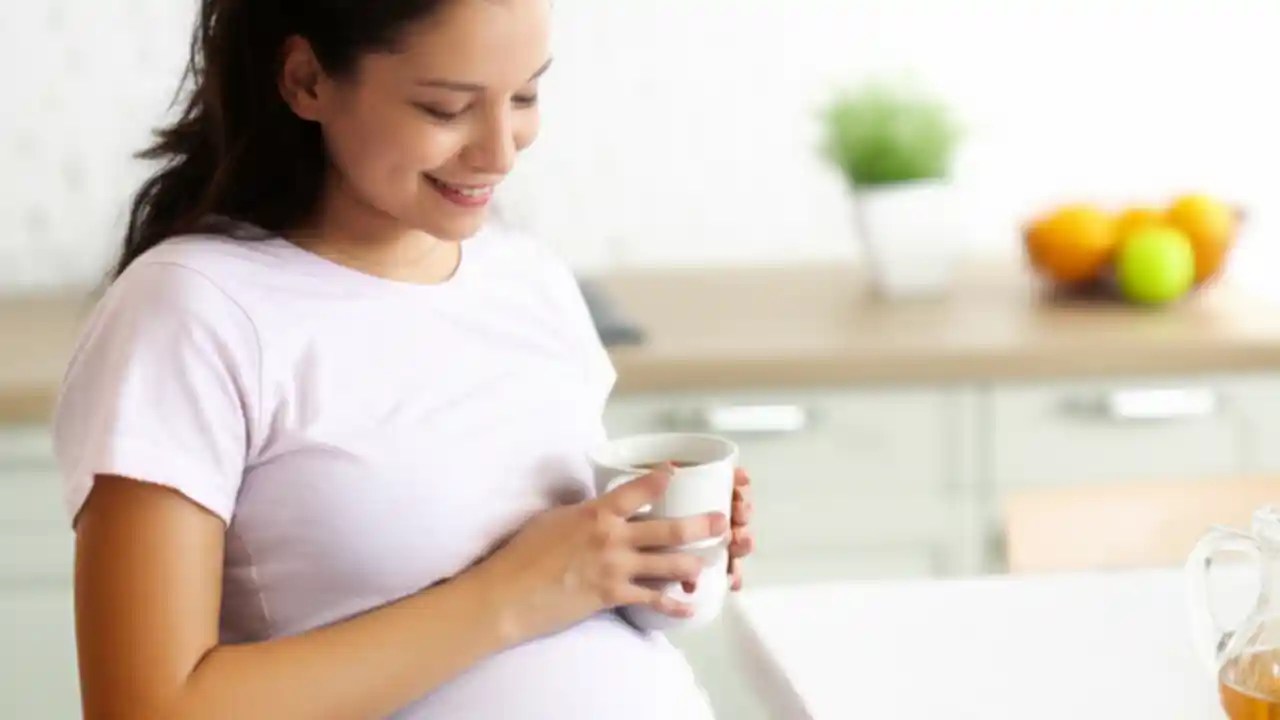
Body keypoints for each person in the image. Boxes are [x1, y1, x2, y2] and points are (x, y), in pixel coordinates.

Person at [51, 1, 756, 718]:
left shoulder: (527, 278)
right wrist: (509, 594)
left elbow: (578, 614)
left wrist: (658, 555)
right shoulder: (194, 311)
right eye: (446, 107)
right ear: (306, 80)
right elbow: (143, 708)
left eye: (524, 95)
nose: (500, 152)